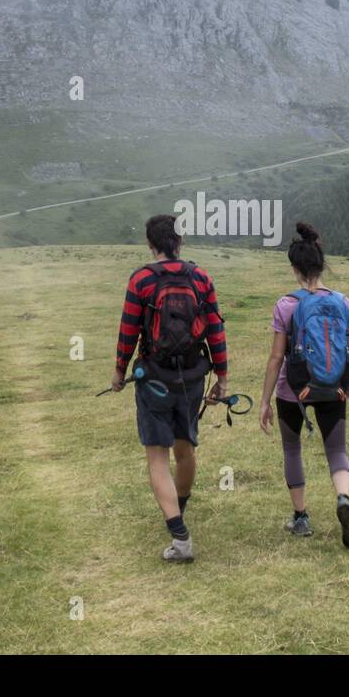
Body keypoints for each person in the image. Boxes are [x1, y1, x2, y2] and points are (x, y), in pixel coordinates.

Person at [112, 214, 229, 563]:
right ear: (180, 242)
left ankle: (179, 535)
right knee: (185, 448)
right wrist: (222, 378)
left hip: (155, 379)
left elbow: (128, 330)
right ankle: (180, 510)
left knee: (157, 457)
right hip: (192, 377)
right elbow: (215, 330)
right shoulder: (201, 277)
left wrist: (119, 372)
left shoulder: (142, 279)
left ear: (151, 244)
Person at [259, 222, 349, 548]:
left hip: (295, 390)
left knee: (292, 449)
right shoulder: (344, 302)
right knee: (337, 450)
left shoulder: (286, 305)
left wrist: (264, 401)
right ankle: (343, 498)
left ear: (294, 268)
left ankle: (301, 518)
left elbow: (277, 358)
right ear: (321, 263)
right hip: (334, 387)